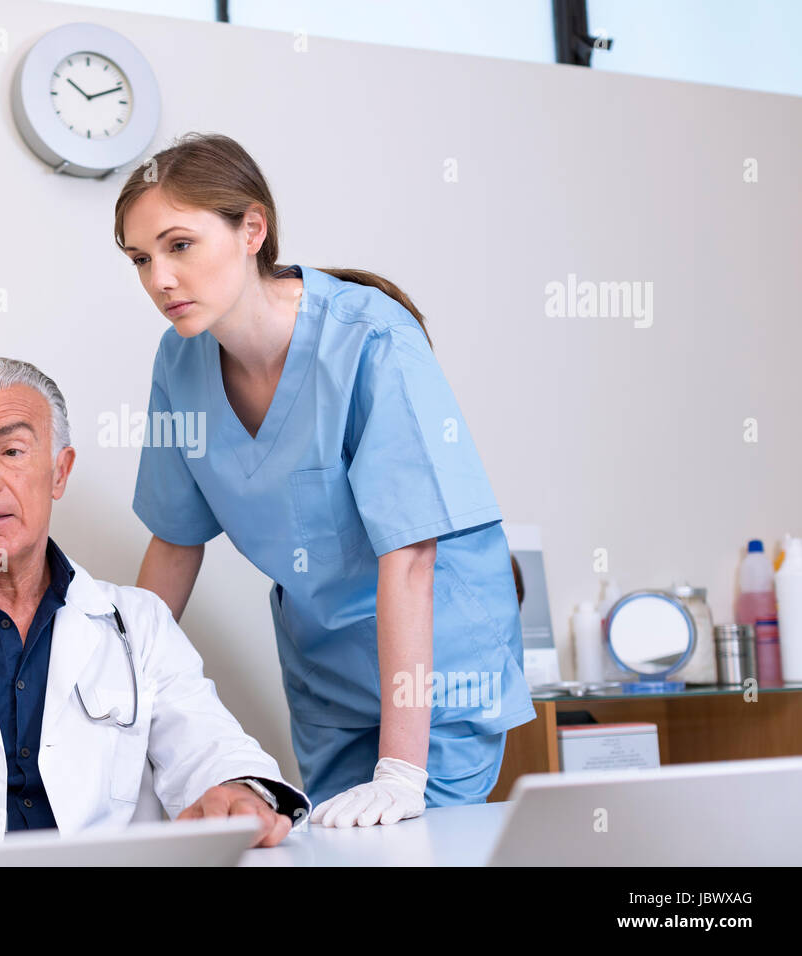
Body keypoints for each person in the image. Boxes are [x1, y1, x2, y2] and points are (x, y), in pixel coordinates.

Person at [115, 132, 536, 827]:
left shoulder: (370, 338)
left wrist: (402, 770)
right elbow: (175, 542)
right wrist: (115, 673)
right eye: (139, 259)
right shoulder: (178, 363)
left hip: (438, 669)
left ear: (253, 229)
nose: (159, 278)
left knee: (415, 849)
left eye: (179, 245)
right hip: (327, 677)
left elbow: (411, 555)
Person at [0, 356, 310, 845]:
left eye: (11, 450)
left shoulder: (139, 623)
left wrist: (238, 790)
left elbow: (212, 749)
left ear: (60, 472)